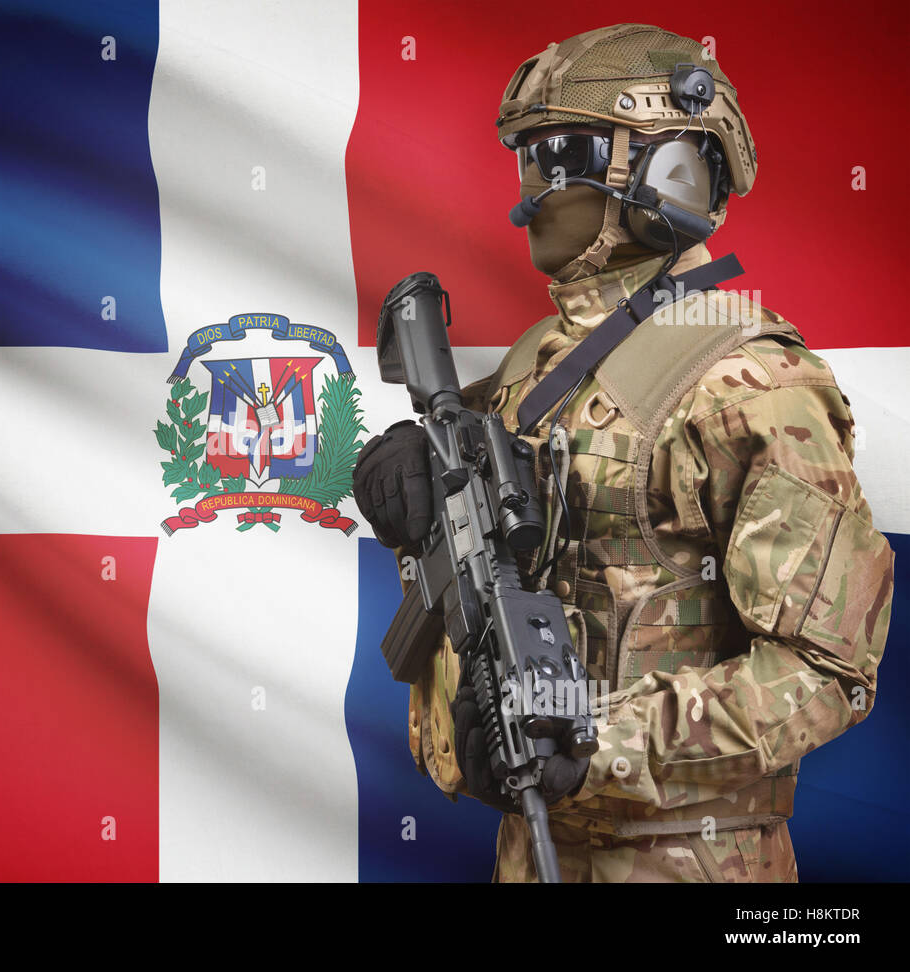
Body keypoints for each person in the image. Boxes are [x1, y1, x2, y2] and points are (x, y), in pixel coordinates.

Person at [352, 23, 894, 882]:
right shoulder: (541, 357)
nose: (532, 184)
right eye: (528, 155)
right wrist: (413, 493)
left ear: (661, 171)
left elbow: (826, 670)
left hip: (691, 863)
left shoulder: (751, 379)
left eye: (557, 151)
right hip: (532, 852)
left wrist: (597, 741)